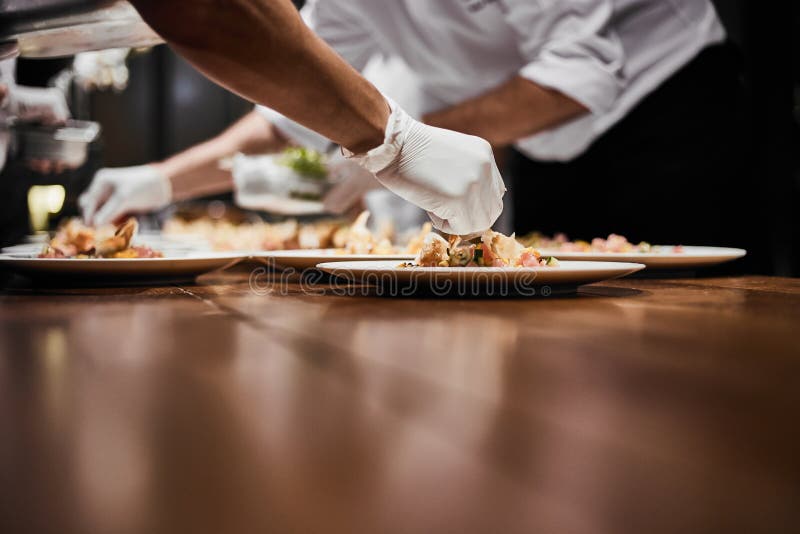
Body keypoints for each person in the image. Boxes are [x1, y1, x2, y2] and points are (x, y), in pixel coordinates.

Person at [82, 0, 507, 236]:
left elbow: (551, 90)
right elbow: (286, 112)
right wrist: (163, 180)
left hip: (506, 181)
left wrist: (394, 140)